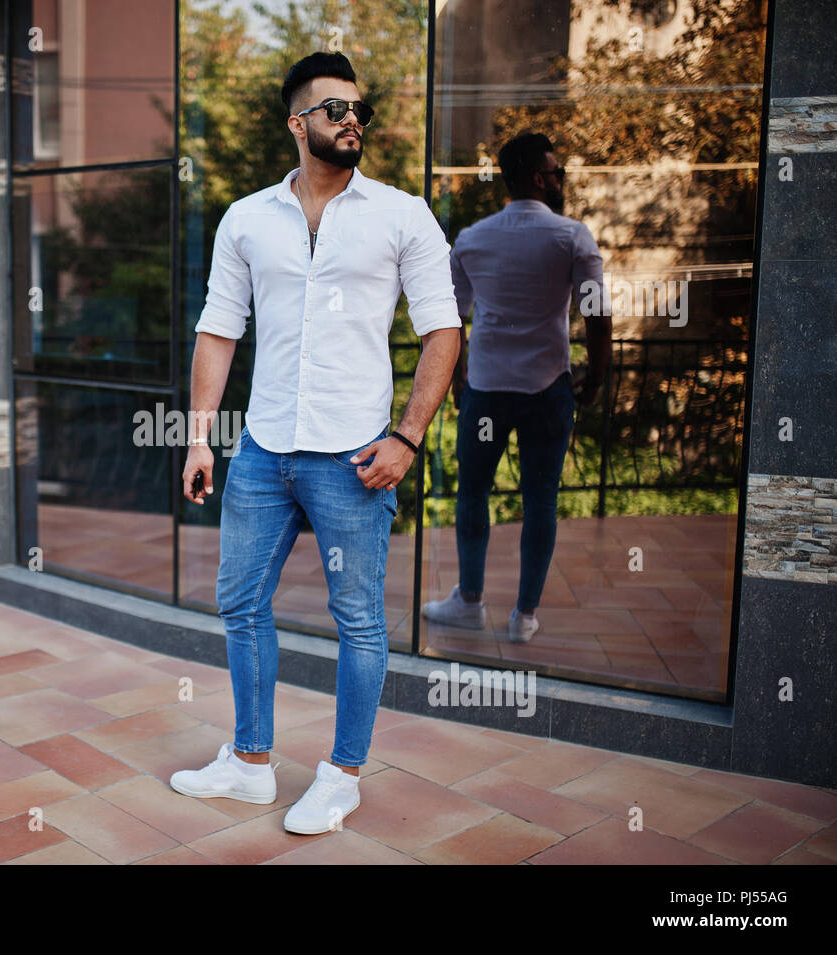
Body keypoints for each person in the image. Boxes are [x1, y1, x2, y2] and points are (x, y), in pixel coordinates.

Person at [169, 52, 461, 834]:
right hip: (263, 448)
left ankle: (341, 775)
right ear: (298, 124)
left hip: (355, 454)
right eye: (334, 110)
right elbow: (218, 329)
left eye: (358, 109)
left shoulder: (401, 215)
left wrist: (407, 435)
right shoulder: (247, 218)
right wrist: (200, 439)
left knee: (359, 619)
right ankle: (251, 763)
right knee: (239, 602)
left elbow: (444, 330)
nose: (352, 121)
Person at [422, 131, 612, 643]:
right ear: (536, 177)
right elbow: (596, 312)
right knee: (541, 500)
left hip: (486, 391)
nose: (560, 179)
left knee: (473, 495)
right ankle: (524, 616)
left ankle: (469, 600)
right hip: (549, 390)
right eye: (556, 172)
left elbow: (450, 318)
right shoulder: (573, 236)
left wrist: (457, 378)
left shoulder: (472, 237)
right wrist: (598, 374)